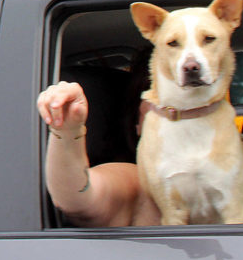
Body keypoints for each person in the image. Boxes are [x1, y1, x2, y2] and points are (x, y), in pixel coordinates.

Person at [36, 81, 159, 227]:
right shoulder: (140, 182)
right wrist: (68, 131)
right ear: (138, 125)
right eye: (161, 103)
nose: (177, 114)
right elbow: (78, 198)